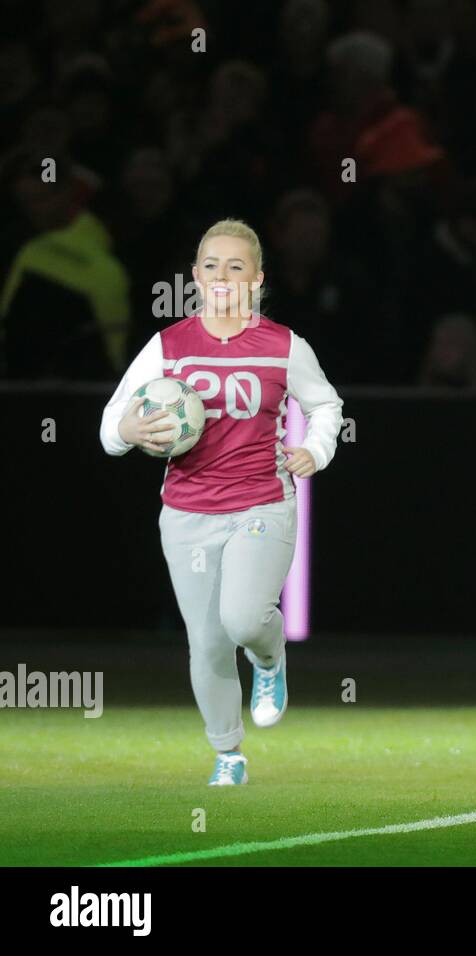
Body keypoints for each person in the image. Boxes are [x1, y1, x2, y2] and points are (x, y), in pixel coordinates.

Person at [99, 219, 344, 785]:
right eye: (211, 265)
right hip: (187, 513)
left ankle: (269, 656)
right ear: (195, 276)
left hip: (262, 503)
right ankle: (228, 754)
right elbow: (110, 425)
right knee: (207, 643)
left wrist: (315, 449)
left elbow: (328, 405)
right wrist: (130, 432)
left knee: (241, 618)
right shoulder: (168, 346)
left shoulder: (284, 345)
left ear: (257, 279)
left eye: (236, 266)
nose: (223, 277)